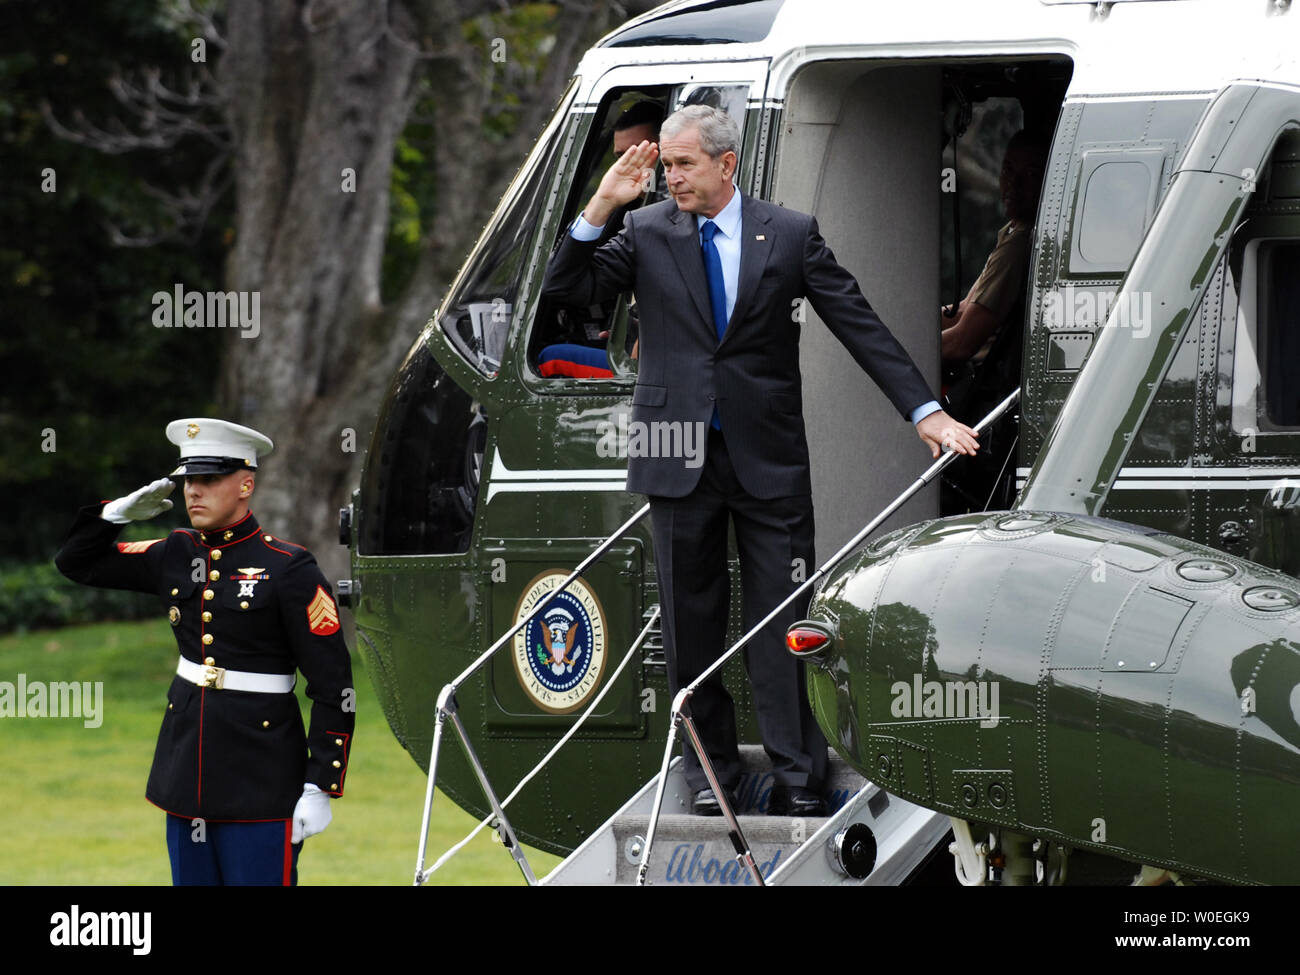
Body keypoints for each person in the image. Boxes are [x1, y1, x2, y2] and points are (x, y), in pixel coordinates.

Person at [542, 105, 978, 816]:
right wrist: (599, 206)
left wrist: (924, 412)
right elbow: (566, 294)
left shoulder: (791, 234)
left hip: (768, 459)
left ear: (726, 164)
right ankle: (710, 775)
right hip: (675, 456)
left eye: (683, 164)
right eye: (667, 166)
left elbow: (857, 320)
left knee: (784, 621)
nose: (670, 177)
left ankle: (800, 778)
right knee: (692, 628)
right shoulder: (646, 231)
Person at [54, 418, 354, 884]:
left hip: (261, 779)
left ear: (245, 485)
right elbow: (76, 563)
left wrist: (319, 785)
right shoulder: (177, 552)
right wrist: (113, 515)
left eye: (210, 479)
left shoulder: (289, 569)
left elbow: (334, 686)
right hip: (186, 775)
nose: (194, 490)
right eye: (189, 479)